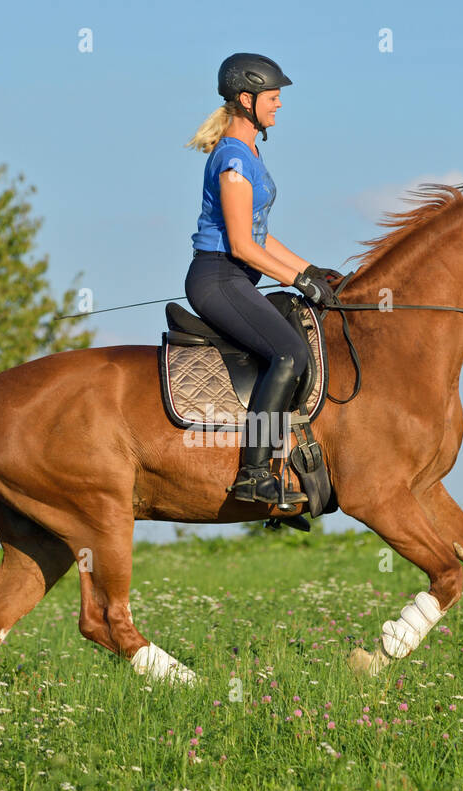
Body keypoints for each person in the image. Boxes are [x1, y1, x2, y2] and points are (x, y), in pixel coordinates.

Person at [184, 53, 342, 506]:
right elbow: (241, 246)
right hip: (219, 278)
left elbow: (261, 236)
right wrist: (297, 280)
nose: (278, 106)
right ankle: (253, 474)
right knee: (290, 355)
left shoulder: (250, 152)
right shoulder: (233, 159)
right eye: (273, 98)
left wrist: (310, 271)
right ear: (247, 99)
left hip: (236, 278)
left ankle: (284, 467)